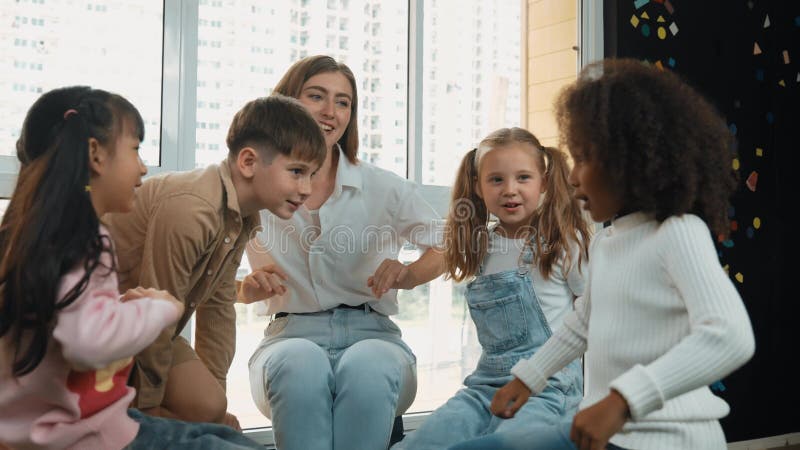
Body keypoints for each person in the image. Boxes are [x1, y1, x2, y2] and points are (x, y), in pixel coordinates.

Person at [451, 59, 756, 450]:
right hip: (605, 435)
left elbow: (730, 336)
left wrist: (622, 401)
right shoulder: (606, 242)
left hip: (670, 440)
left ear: (629, 161)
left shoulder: (678, 233)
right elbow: (583, 322)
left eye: (583, 159)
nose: (572, 176)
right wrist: (529, 378)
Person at [0, 86, 262, 449]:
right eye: (136, 149)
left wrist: (122, 308)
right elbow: (86, 342)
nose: (142, 166)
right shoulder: (83, 242)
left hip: (82, 423)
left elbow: (72, 321)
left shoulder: (46, 235)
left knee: (227, 436)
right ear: (96, 154)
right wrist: (155, 308)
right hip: (83, 435)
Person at [239, 55, 445, 450]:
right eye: (316, 96)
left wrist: (409, 274)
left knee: (369, 365)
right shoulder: (253, 184)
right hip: (289, 336)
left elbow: (446, 245)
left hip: (375, 335)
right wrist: (245, 290)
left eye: (343, 102)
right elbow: (209, 276)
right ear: (286, 102)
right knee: (300, 363)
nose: (330, 112)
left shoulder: (384, 186)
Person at [102, 94, 326, 428]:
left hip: (142, 328)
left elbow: (218, 308)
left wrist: (215, 410)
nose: (306, 188)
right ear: (248, 162)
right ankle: (127, 420)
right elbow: (155, 313)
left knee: (212, 407)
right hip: (100, 325)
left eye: (312, 175)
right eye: (297, 172)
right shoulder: (193, 208)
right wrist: (147, 415)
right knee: (193, 419)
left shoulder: (243, 219)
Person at [392, 128, 591, 450]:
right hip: (486, 386)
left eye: (523, 178)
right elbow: (437, 252)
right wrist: (404, 275)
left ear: (543, 181)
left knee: (510, 444)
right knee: (422, 442)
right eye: (496, 180)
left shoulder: (564, 242)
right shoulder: (480, 243)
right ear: (477, 186)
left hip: (548, 388)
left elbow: (591, 317)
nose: (510, 190)